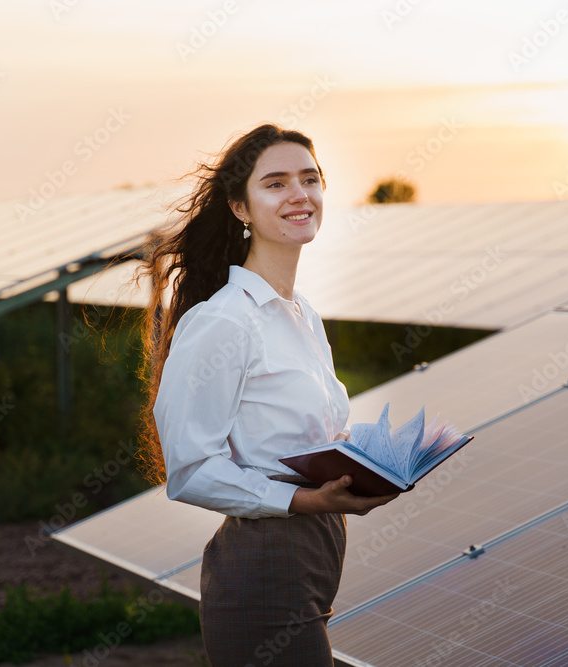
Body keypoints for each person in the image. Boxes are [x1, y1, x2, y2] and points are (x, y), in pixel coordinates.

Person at [135, 123, 399, 666]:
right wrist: (304, 500)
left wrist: (363, 459)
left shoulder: (303, 314)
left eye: (310, 178)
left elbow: (299, 435)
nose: (300, 194)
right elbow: (190, 470)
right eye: (276, 184)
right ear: (240, 207)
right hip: (264, 564)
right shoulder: (224, 321)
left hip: (315, 553)